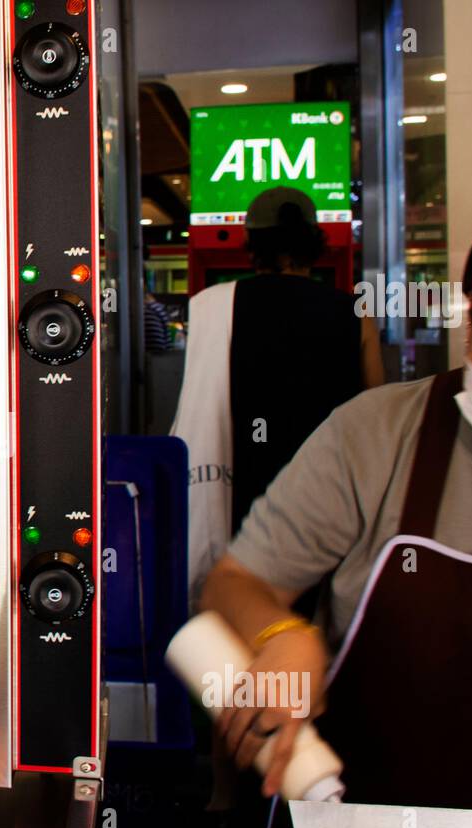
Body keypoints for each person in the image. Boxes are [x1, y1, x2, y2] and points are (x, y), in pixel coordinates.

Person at [201, 214, 472, 817]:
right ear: (470, 325)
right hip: (361, 826)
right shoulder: (375, 432)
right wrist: (280, 636)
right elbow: (236, 582)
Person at [172, 187, 382, 609]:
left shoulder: (210, 306)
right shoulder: (354, 314)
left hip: (237, 495)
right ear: (314, 243)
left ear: (253, 246)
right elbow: (376, 415)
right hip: (325, 498)